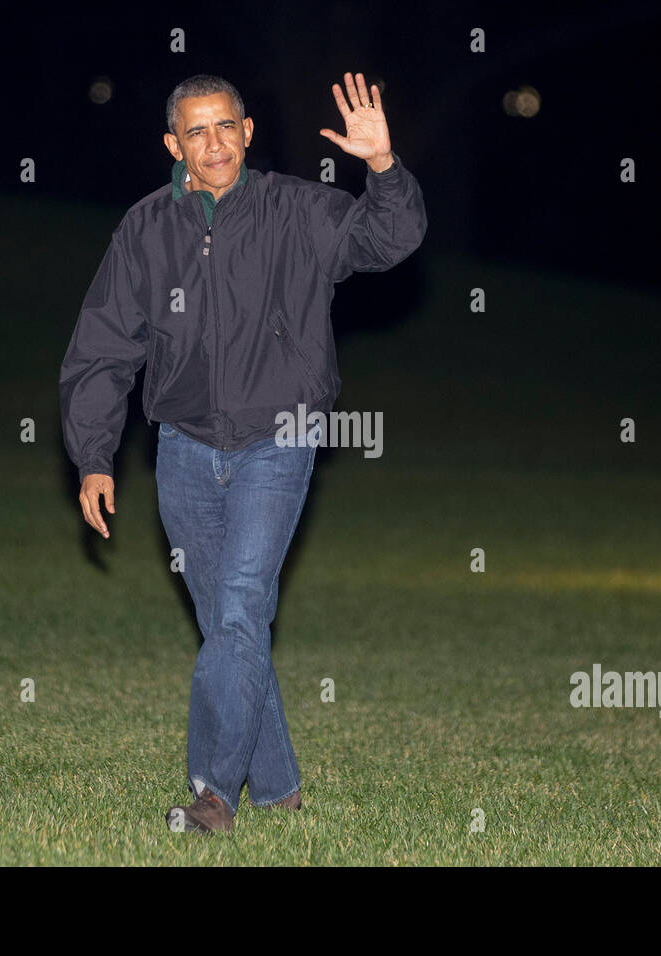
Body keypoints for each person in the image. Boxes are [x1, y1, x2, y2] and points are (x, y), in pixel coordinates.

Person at [59, 72, 427, 833]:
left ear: (249, 131)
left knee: (241, 609)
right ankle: (283, 788)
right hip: (184, 447)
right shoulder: (145, 229)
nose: (214, 143)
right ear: (173, 145)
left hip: (279, 437)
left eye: (226, 126)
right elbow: (103, 347)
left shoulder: (299, 210)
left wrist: (384, 168)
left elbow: (389, 239)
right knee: (232, 624)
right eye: (196, 132)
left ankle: (215, 795)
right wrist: (94, 453)